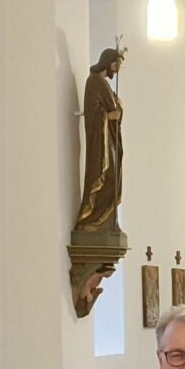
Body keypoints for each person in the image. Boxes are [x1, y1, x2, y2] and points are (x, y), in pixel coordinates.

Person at [76, 47, 125, 234]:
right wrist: (110, 116)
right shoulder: (95, 82)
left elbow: (115, 110)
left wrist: (117, 109)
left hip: (109, 140)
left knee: (114, 178)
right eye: (116, 63)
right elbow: (95, 114)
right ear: (108, 62)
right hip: (100, 143)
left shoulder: (102, 83)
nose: (117, 68)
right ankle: (93, 219)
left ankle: (107, 220)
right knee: (107, 177)